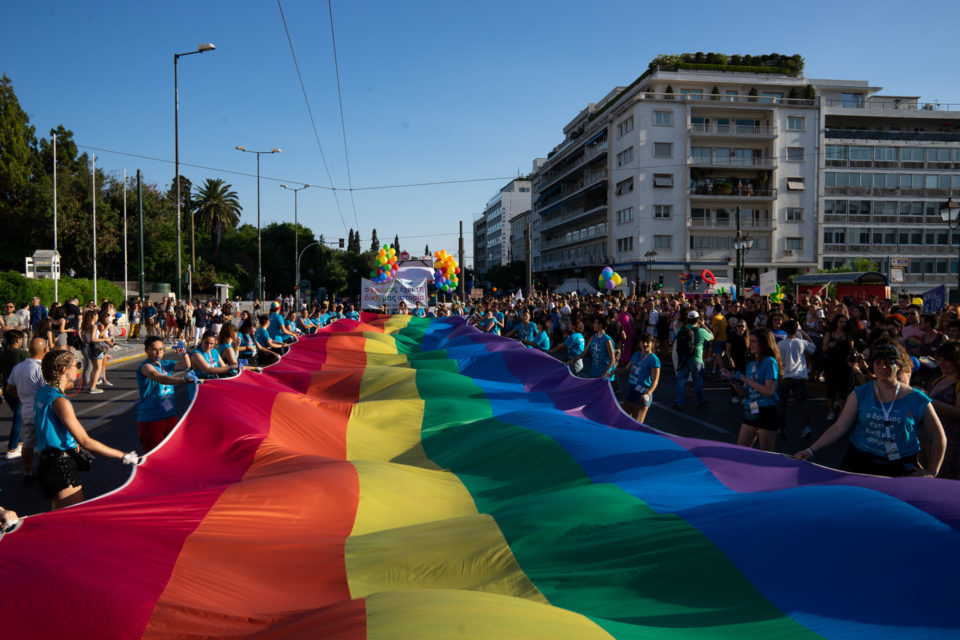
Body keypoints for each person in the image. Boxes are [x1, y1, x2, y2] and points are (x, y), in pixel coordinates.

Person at [796, 341, 946, 477]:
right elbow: (839, 427)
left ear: (899, 366)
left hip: (900, 464)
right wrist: (810, 450)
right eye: (878, 362)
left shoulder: (918, 399)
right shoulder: (860, 393)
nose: (883, 367)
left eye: (889, 363)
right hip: (860, 460)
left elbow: (939, 437)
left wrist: (932, 472)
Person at [34, 350, 138, 509]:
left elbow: (47, 426)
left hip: (46, 462)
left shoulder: (42, 393)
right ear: (64, 370)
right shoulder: (60, 401)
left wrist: (71, 441)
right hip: (61, 465)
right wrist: (124, 456)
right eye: (77, 365)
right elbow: (86, 441)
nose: (78, 369)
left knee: (59, 516)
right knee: (72, 519)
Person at [724, 327, 782, 452]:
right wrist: (732, 380)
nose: (750, 344)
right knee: (742, 451)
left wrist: (745, 379)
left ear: (764, 343)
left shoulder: (770, 362)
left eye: (754, 341)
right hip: (752, 409)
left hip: (767, 411)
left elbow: (769, 391)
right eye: (750, 341)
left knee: (765, 457)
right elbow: (745, 393)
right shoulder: (751, 364)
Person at [136, 337, 191, 453]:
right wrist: (184, 380)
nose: (158, 353)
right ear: (146, 350)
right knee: (155, 455)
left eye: (161, 349)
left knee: (175, 449)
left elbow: (186, 365)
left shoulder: (165, 364)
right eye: (154, 349)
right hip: (151, 418)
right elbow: (159, 378)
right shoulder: (145, 366)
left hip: (169, 415)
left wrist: (184, 354)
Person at [7, 337, 48, 480]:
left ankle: (27, 471)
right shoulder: (42, 369)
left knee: (28, 442)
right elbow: (48, 392)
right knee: (44, 442)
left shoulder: (18, 368)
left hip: (26, 409)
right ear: (45, 350)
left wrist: (21, 399)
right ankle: (44, 471)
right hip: (41, 410)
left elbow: (10, 388)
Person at [926, 341, 960, 480]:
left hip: (953, 443)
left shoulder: (958, 383)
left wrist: (928, 401)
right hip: (933, 440)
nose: (942, 363)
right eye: (940, 359)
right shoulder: (939, 379)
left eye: (947, 360)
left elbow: (958, 413)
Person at [777, 320, 815, 440]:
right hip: (800, 377)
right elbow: (813, 348)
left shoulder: (781, 344)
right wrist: (804, 333)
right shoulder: (802, 342)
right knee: (802, 403)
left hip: (786, 377)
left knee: (782, 403)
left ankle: (780, 427)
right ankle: (806, 427)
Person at [673, 310, 714, 411]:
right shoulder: (701, 331)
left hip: (683, 358)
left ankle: (679, 402)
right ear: (698, 320)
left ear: (688, 319)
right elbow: (712, 336)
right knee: (697, 382)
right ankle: (701, 401)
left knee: (681, 381)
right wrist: (703, 325)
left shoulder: (681, 329)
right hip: (696, 359)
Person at [616, 332, 660, 422]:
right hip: (632, 390)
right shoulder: (636, 354)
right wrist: (613, 371)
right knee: (623, 420)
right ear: (640, 343)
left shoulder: (653, 359)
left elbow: (655, 380)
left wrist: (648, 393)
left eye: (648, 342)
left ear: (652, 344)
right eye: (643, 342)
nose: (645, 344)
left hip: (643, 393)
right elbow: (625, 369)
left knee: (636, 424)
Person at [0, 330, 28, 458]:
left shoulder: (3, 354)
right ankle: (12, 448)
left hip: (6, 388)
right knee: (19, 416)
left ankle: (20, 442)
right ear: (18, 340)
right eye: (21, 339)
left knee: (20, 416)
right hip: (18, 389)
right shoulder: (21, 353)